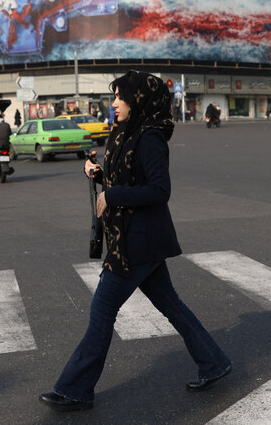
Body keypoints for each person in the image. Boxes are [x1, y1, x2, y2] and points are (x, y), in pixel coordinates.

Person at [39, 71, 231, 412]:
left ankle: (75, 389)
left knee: (102, 310)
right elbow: (125, 176)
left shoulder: (150, 138)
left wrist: (112, 195)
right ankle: (214, 362)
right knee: (172, 306)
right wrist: (97, 173)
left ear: (139, 100)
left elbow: (159, 190)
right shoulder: (127, 133)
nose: (114, 103)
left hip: (139, 242)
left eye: (120, 97)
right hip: (137, 238)